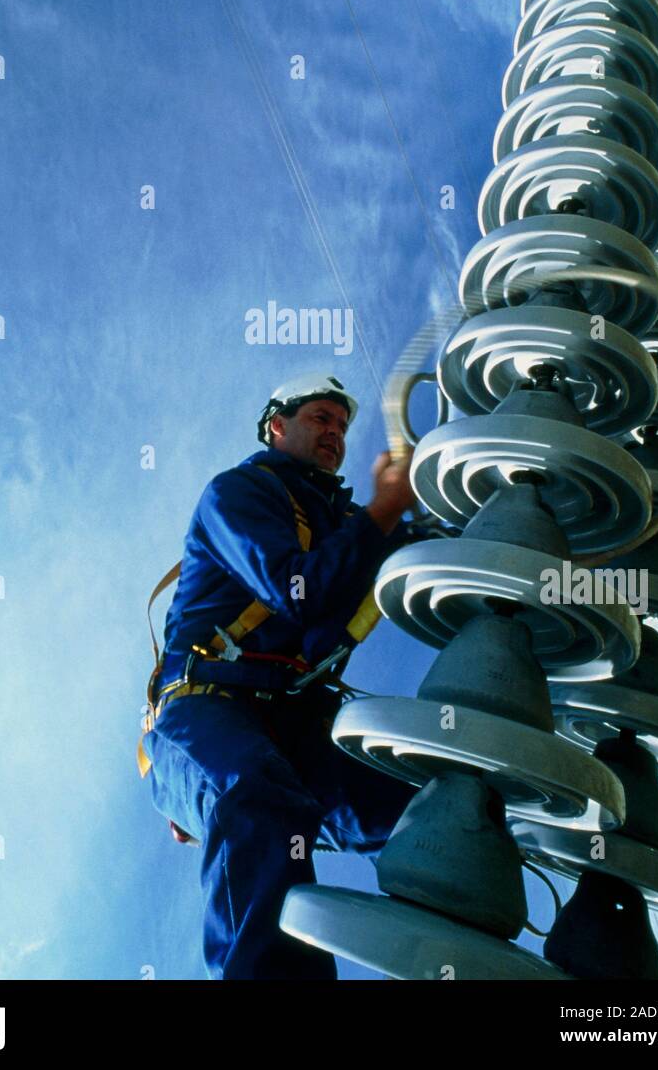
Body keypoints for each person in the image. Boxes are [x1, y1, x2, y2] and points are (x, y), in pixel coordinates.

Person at [141, 374, 422, 979]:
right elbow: (298, 590)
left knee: (424, 815)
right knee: (262, 800)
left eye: (342, 426)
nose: (335, 434)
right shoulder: (239, 493)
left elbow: (437, 562)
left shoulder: (349, 523)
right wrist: (384, 511)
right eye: (321, 418)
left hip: (291, 724)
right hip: (204, 708)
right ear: (277, 427)